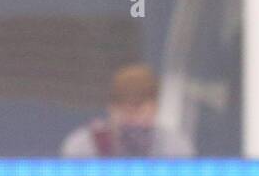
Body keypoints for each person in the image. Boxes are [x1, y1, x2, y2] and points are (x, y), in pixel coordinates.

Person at [60, 63, 194, 157]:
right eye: (125, 111)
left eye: (138, 111)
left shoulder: (175, 148)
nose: (132, 120)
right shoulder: (83, 146)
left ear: (154, 108)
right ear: (111, 109)